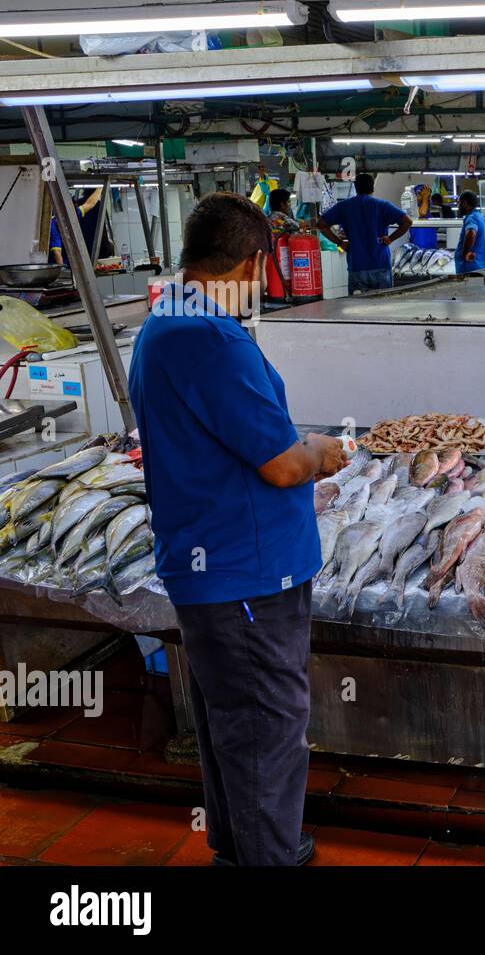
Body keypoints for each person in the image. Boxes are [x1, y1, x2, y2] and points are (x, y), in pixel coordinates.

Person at [127, 192, 348, 864]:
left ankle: (248, 845)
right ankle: (266, 859)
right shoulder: (208, 338)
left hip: (217, 564)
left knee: (234, 720)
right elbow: (282, 466)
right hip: (244, 574)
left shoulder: (167, 319)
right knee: (265, 726)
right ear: (255, 262)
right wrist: (321, 452)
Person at [315, 172, 412, 294]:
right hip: (380, 264)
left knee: (358, 308)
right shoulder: (382, 205)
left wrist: (340, 243)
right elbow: (407, 222)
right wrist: (390, 238)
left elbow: (321, 225)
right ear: (372, 187)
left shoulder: (344, 206)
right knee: (384, 306)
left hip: (357, 266)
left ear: (356, 187)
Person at [48, 187, 103, 265]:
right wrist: (62, 271)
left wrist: (100, 188)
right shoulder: (53, 225)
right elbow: (57, 253)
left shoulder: (74, 214)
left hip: (69, 262)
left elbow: (89, 204)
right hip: (56, 266)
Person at [455, 190, 485, 273]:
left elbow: (471, 234)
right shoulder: (481, 217)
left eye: (459, 203)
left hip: (469, 268)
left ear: (465, 203)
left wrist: (464, 254)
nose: (458, 206)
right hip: (479, 266)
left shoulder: (471, 218)